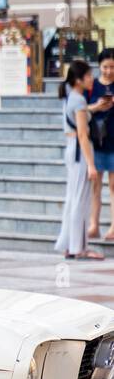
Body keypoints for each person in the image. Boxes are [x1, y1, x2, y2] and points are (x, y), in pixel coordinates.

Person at [56, 59, 105, 260]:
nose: (91, 78)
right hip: (80, 151)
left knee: (73, 199)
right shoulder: (79, 100)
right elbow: (83, 135)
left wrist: (95, 108)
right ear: (78, 79)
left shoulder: (72, 97)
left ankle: (70, 245)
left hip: (73, 150)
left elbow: (80, 116)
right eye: (87, 76)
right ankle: (79, 248)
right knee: (80, 200)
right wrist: (92, 165)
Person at [86, 49, 114, 238]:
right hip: (96, 142)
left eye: (112, 67)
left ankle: (113, 227)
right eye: (105, 67)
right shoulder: (92, 86)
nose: (109, 71)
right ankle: (93, 225)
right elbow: (81, 109)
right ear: (99, 67)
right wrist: (96, 106)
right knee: (95, 186)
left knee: (113, 186)